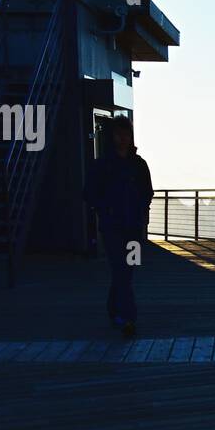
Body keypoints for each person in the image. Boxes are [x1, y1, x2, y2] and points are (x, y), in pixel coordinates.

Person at [83, 116, 153, 337]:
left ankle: (114, 309)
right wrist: (105, 209)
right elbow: (89, 192)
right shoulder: (103, 164)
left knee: (126, 271)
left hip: (133, 227)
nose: (122, 139)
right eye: (119, 134)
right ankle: (128, 318)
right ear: (112, 137)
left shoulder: (139, 164)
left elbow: (147, 192)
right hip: (112, 227)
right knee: (120, 269)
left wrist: (142, 214)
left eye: (126, 134)